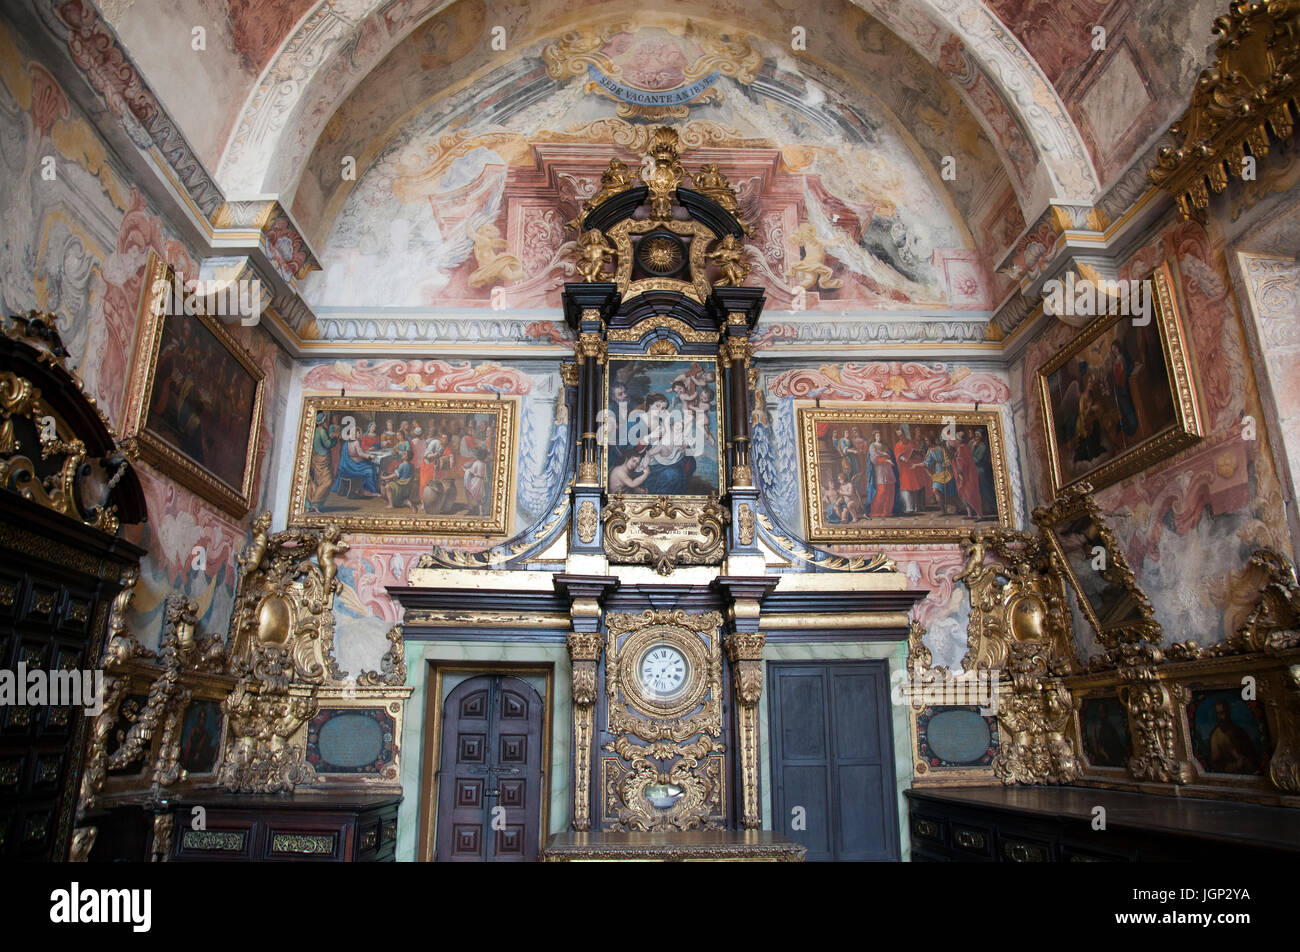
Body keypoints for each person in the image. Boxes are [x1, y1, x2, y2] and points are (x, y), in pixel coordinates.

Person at [1207, 699, 1259, 773]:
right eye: (1218, 714)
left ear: (1228, 712)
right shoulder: (1215, 736)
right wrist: (1235, 766)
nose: (1220, 717)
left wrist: (1245, 760)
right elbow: (1215, 764)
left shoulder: (1239, 731)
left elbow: (1252, 755)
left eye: (1222, 713)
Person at [305, 412, 339, 512]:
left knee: (314, 481)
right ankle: (315, 502)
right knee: (327, 481)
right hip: (323, 460)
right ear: (323, 421)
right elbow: (328, 444)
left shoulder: (315, 431)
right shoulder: (321, 431)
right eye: (326, 420)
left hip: (315, 459)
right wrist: (335, 438)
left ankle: (308, 504)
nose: (327, 421)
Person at [332, 431, 381, 498]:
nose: (358, 435)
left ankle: (359, 489)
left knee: (367, 466)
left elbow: (357, 452)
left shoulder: (346, 443)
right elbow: (360, 454)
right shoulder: (356, 442)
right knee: (369, 470)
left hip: (347, 466)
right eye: (356, 433)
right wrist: (369, 456)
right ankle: (369, 491)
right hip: (353, 466)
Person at [949, 430, 982, 518]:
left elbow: (962, 462)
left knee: (970, 492)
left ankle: (979, 514)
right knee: (964, 493)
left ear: (959, 440)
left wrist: (960, 473)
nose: (954, 440)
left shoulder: (962, 448)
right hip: (966, 473)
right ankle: (969, 513)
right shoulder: (963, 447)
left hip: (967, 474)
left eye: (956, 439)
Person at [894, 427, 926, 514]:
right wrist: (904, 458)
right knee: (906, 488)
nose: (901, 437)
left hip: (913, 467)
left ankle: (916, 506)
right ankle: (909, 507)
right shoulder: (898, 445)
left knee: (915, 487)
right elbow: (897, 456)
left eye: (902, 435)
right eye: (899, 436)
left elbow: (917, 451)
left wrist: (919, 454)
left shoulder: (911, 442)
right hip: (904, 469)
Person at [924, 436, 956, 514]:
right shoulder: (930, 451)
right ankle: (942, 510)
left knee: (949, 492)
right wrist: (923, 466)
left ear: (931, 440)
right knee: (935, 490)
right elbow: (928, 462)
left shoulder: (941, 448)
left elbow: (947, 459)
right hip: (937, 472)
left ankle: (953, 507)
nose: (926, 442)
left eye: (927, 440)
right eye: (925, 441)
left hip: (945, 472)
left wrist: (946, 464)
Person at [970, 429, 997, 519]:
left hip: (981, 470)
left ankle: (991, 507)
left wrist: (970, 455)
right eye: (976, 435)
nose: (976, 437)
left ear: (981, 437)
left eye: (978, 436)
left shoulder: (983, 446)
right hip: (973, 470)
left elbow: (977, 459)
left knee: (984, 489)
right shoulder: (972, 443)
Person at [463, 446, 490, 516]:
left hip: (476, 482)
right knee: (480, 498)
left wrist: (468, 471)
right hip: (483, 483)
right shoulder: (485, 464)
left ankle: (470, 504)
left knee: (467, 488)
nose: (488, 458)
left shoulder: (476, 463)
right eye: (487, 456)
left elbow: (471, 472)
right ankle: (481, 511)